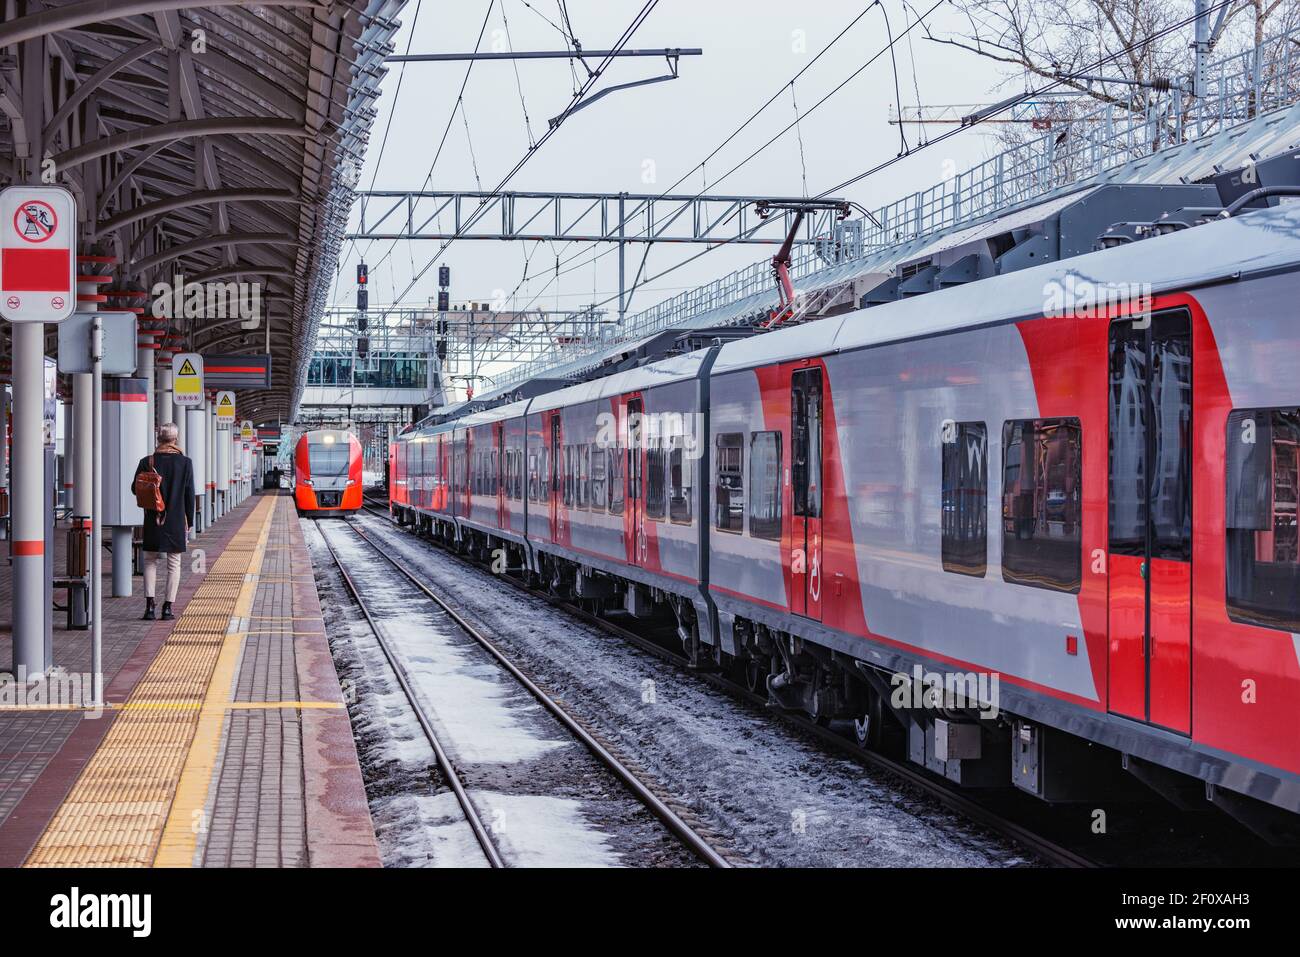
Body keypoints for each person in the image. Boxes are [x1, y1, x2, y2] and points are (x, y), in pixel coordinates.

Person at [131, 423, 195, 621]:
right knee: (173, 564)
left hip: (153, 518)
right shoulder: (185, 463)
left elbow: (135, 488)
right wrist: (190, 520)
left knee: (150, 560)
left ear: (158, 439)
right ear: (175, 439)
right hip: (175, 519)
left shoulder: (147, 461)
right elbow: (189, 494)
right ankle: (167, 608)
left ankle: (149, 607)